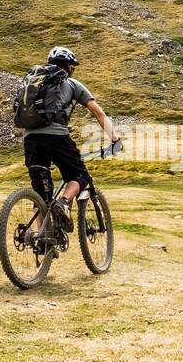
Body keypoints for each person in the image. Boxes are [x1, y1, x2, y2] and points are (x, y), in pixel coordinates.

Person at [23, 46, 121, 233]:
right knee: (79, 175)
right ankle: (64, 202)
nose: (73, 70)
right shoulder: (72, 84)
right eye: (72, 66)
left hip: (30, 139)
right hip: (56, 137)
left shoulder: (34, 84)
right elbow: (98, 113)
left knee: (40, 194)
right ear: (67, 66)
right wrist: (115, 139)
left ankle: (42, 238)